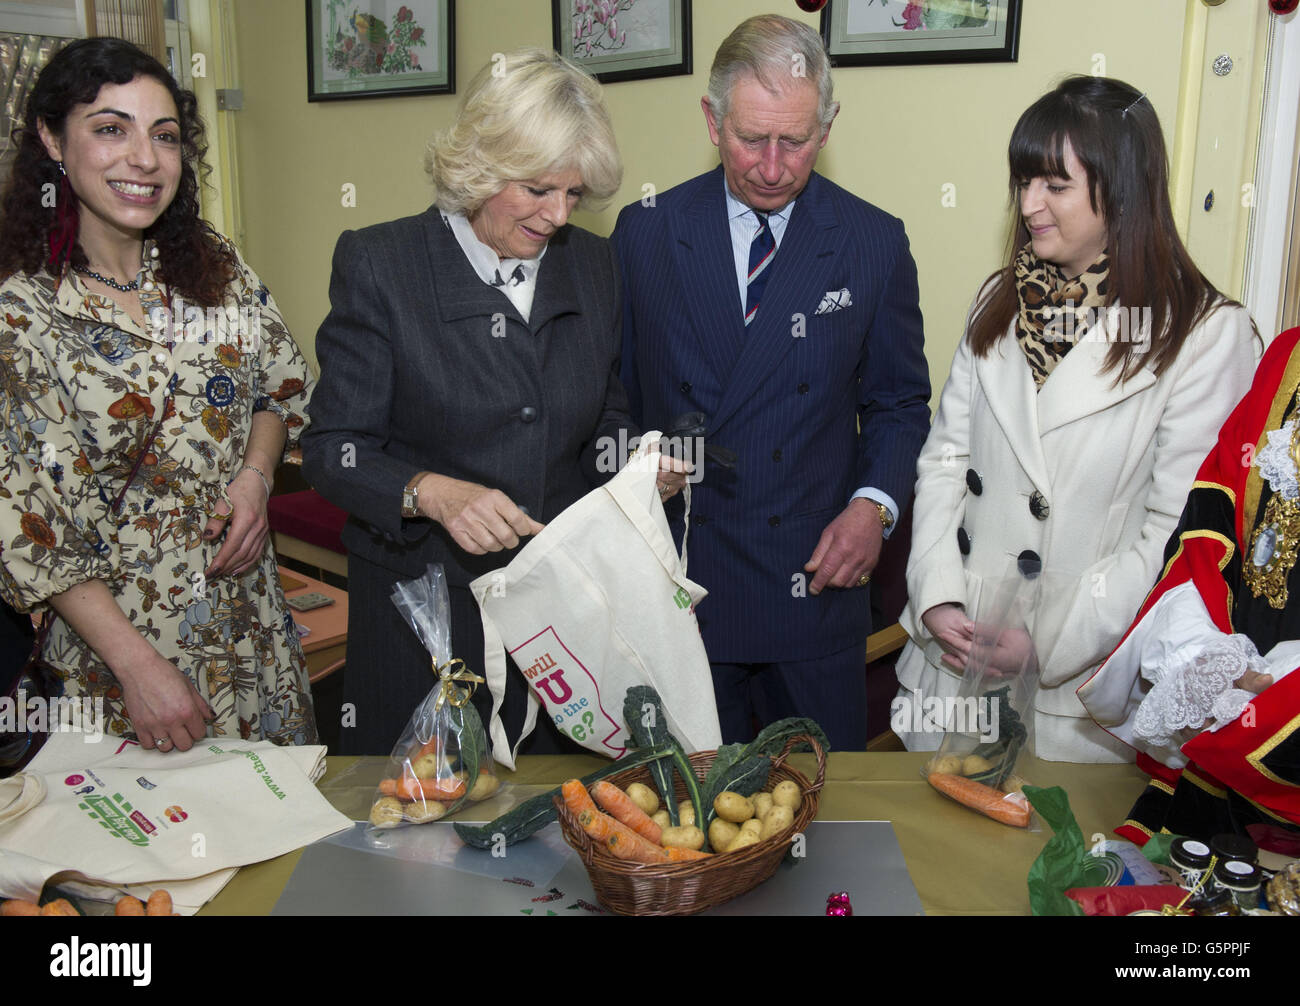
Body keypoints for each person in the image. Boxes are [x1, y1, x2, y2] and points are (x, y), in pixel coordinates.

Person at [302, 48, 683, 757]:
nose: (558, 215)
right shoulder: (384, 265)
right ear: (479, 166)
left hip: (559, 616)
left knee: (559, 811)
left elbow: (603, 418)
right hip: (424, 610)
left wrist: (636, 465)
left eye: (574, 194)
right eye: (538, 189)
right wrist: (430, 492)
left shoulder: (592, 264)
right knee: (419, 811)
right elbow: (333, 449)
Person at [896, 76, 1260, 762]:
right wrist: (936, 595)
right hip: (953, 664)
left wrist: (1047, 642)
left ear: (1123, 191)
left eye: (1054, 185)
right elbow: (944, 460)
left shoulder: (1206, 334)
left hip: (1078, 693)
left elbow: (1178, 535)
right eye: (1023, 181)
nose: (1028, 204)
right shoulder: (998, 299)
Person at [612, 15, 931, 752]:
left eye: (796, 140)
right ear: (711, 120)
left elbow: (898, 402)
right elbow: (614, 396)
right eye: (751, 138)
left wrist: (874, 507)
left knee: (820, 801)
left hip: (813, 581)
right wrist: (632, 480)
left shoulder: (873, 241)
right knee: (692, 806)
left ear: (828, 127)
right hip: (682, 578)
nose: (772, 166)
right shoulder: (646, 231)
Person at [0, 38, 317, 752]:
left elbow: (279, 391)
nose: (144, 158)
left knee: (279, 814)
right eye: (111, 129)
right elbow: (36, 530)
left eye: (164, 135)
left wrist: (255, 477)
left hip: (254, 628)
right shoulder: (21, 316)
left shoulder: (212, 267)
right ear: (52, 140)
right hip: (123, 657)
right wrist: (138, 669)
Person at [1079, 327, 1300, 842]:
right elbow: (1212, 515)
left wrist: (1277, 690)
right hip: (1216, 773)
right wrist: (1202, 653)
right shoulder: (1289, 356)